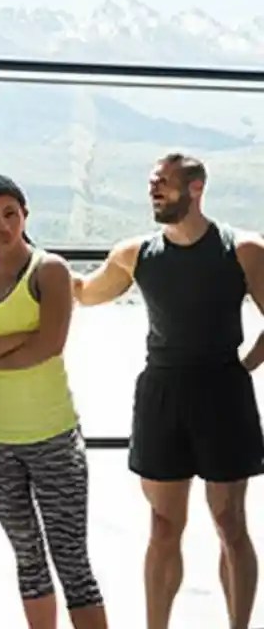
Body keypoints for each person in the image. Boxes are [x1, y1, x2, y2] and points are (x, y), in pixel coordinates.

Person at [72, 153, 264, 629]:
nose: (154, 191)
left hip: (224, 395)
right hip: (161, 395)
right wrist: (30, 262)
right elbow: (85, 292)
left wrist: (243, 366)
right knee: (162, 526)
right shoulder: (135, 253)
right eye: (152, 183)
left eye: (164, 183)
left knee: (229, 522)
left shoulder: (243, 250)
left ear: (196, 188)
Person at [0, 174, 107, 629]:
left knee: (72, 561)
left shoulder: (48, 269)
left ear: (25, 214)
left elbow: (49, 345)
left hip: (52, 436)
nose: (2, 224)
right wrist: (16, 341)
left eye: (10, 213)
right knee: (28, 558)